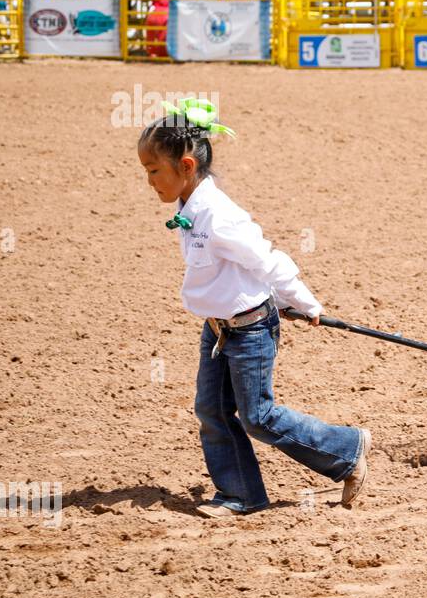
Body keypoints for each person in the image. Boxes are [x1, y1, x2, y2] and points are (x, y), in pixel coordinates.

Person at [136, 101, 371, 517]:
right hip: (218, 328)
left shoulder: (219, 215)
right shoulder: (190, 208)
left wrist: (302, 301)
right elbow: (235, 270)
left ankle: (346, 449)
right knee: (212, 410)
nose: (149, 180)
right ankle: (241, 493)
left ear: (186, 166)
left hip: (249, 329)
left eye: (153, 170)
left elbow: (265, 259)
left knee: (258, 416)